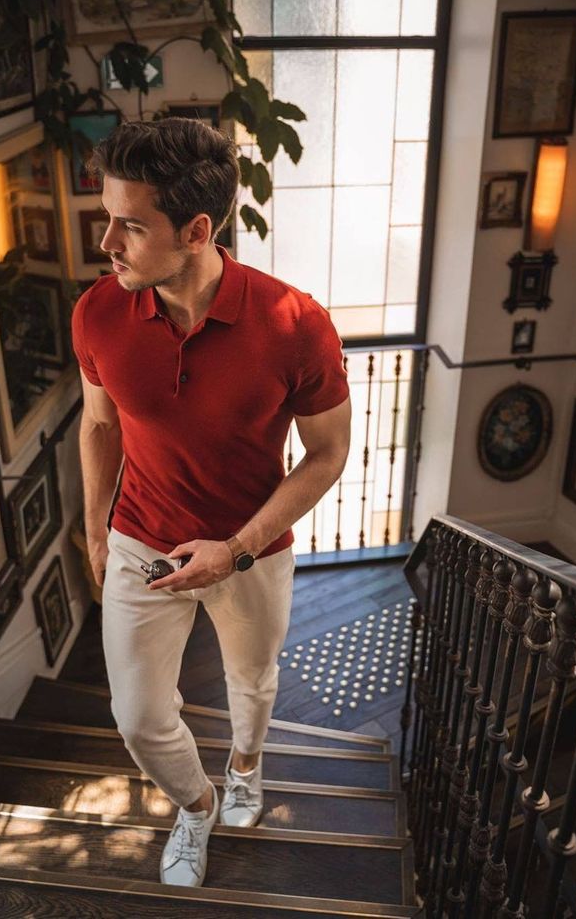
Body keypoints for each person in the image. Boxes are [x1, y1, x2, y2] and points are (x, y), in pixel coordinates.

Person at [72, 117, 351, 889]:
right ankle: (195, 805)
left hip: (251, 548)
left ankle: (247, 765)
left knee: (251, 684)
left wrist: (235, 549)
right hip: (140, 541)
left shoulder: (297, 325)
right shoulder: (98, 313)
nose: (108, 245)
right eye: (108, 221)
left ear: (197, 229)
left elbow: (328, 454)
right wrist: (95, 531)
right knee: (136, 717)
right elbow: (98, 425)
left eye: (130, 226)